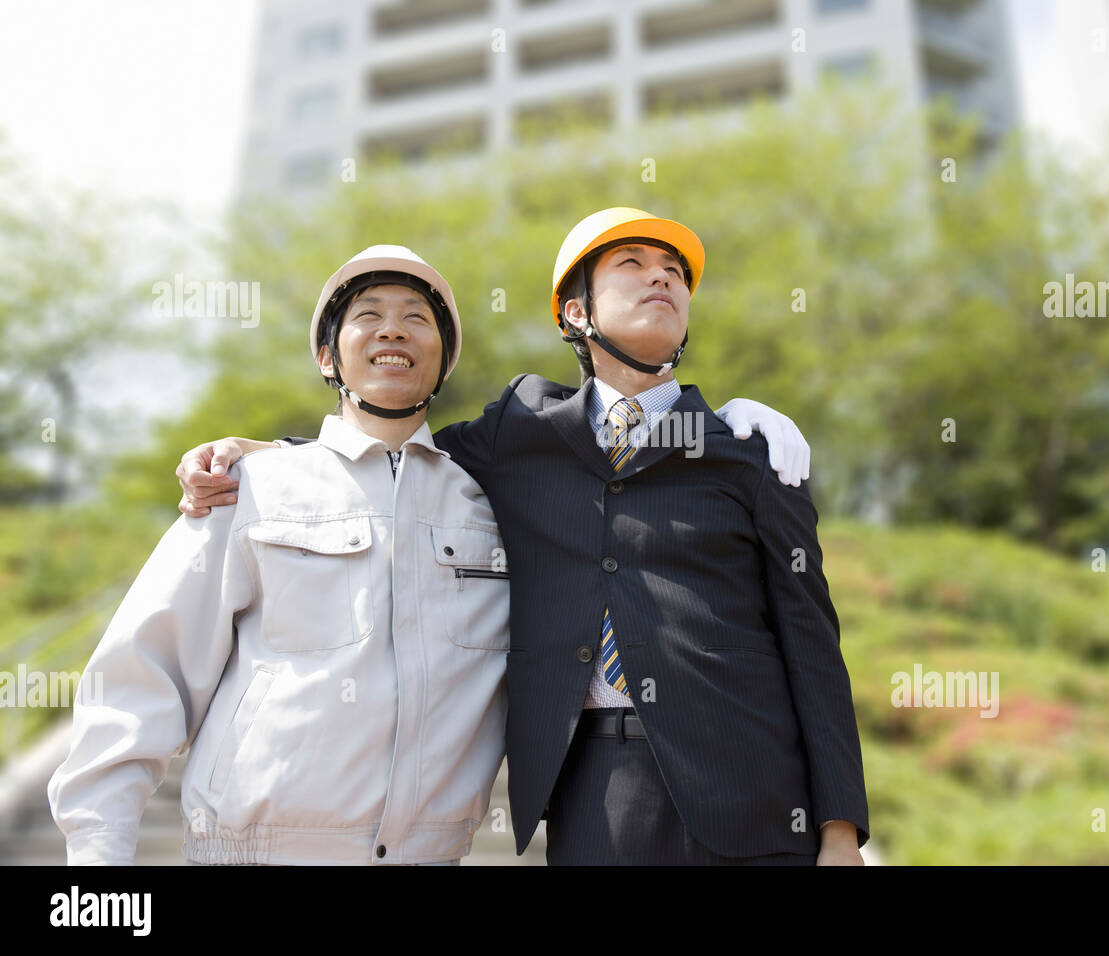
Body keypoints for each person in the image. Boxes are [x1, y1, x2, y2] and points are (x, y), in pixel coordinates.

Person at [178, 207, 868, 865]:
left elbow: (812, 645)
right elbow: (403, 459)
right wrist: (272, 449)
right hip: (595, 796)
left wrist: (840, 832)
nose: (663, 278)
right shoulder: (522, 429)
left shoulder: (749, 450)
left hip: (756, 793)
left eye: (675, 272)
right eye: (633, 262)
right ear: (577, 312)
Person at [49, 246, 510, 865]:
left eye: (417, 318)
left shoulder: (489, 508)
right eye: (368, 314)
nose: (393, 328)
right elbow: (141, 673)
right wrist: (97, 858)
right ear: (328, 356)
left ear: (444, 362)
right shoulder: (250, 489)